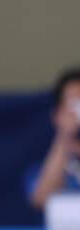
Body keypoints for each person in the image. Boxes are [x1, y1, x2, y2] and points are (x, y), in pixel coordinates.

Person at [25, 69, 80, 210]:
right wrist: (64, 136)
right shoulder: (40, 163)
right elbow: (41, 199)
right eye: (73, 104)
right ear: (56, 114)